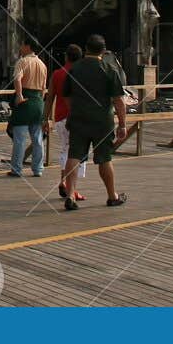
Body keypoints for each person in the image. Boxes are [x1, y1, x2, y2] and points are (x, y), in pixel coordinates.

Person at [61, 33, 128, 211]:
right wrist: (122, 124)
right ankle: (112, 196)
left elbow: (66, 95)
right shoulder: (109, 69)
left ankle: (70, 195)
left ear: (86, 49)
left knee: (74, 155)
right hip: (102, 122)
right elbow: (118, 100)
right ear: (103, 51)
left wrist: (74, 110)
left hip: (78, 119)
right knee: (104, 158)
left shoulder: (75, 68)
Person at [44, 43, 84, 201]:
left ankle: (64, 182)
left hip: (60, 117)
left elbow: (49, 98)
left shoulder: (57, 74)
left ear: (66, 56)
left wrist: (45, 118)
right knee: (76, 153)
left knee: (65, 150)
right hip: (78, 117)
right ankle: (71, 188)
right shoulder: (81, 74)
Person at [8, 38, 47, 177]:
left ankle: (16, 169)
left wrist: (19, 95)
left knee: (20, 139)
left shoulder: (22, 61)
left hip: (25, 101)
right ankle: (38, 169)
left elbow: (17, 79)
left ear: (28, 46)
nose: (20, 48)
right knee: (37, 139)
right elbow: (43, 88)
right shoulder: (42, 64)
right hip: (38, 102)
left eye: (22, 45)